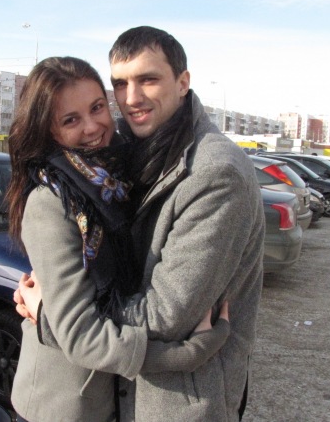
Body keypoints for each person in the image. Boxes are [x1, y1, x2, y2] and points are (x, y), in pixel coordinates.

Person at [17, 26, 265, 421]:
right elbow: (85, 320)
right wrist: (64, 320)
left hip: (178, 404)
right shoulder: (94, 178)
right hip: (84, 400)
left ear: (182, 82)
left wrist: (53, 317)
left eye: (148, 79)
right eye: (120, 83)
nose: (131, 98)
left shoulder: (212, 171)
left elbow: (166, 315)